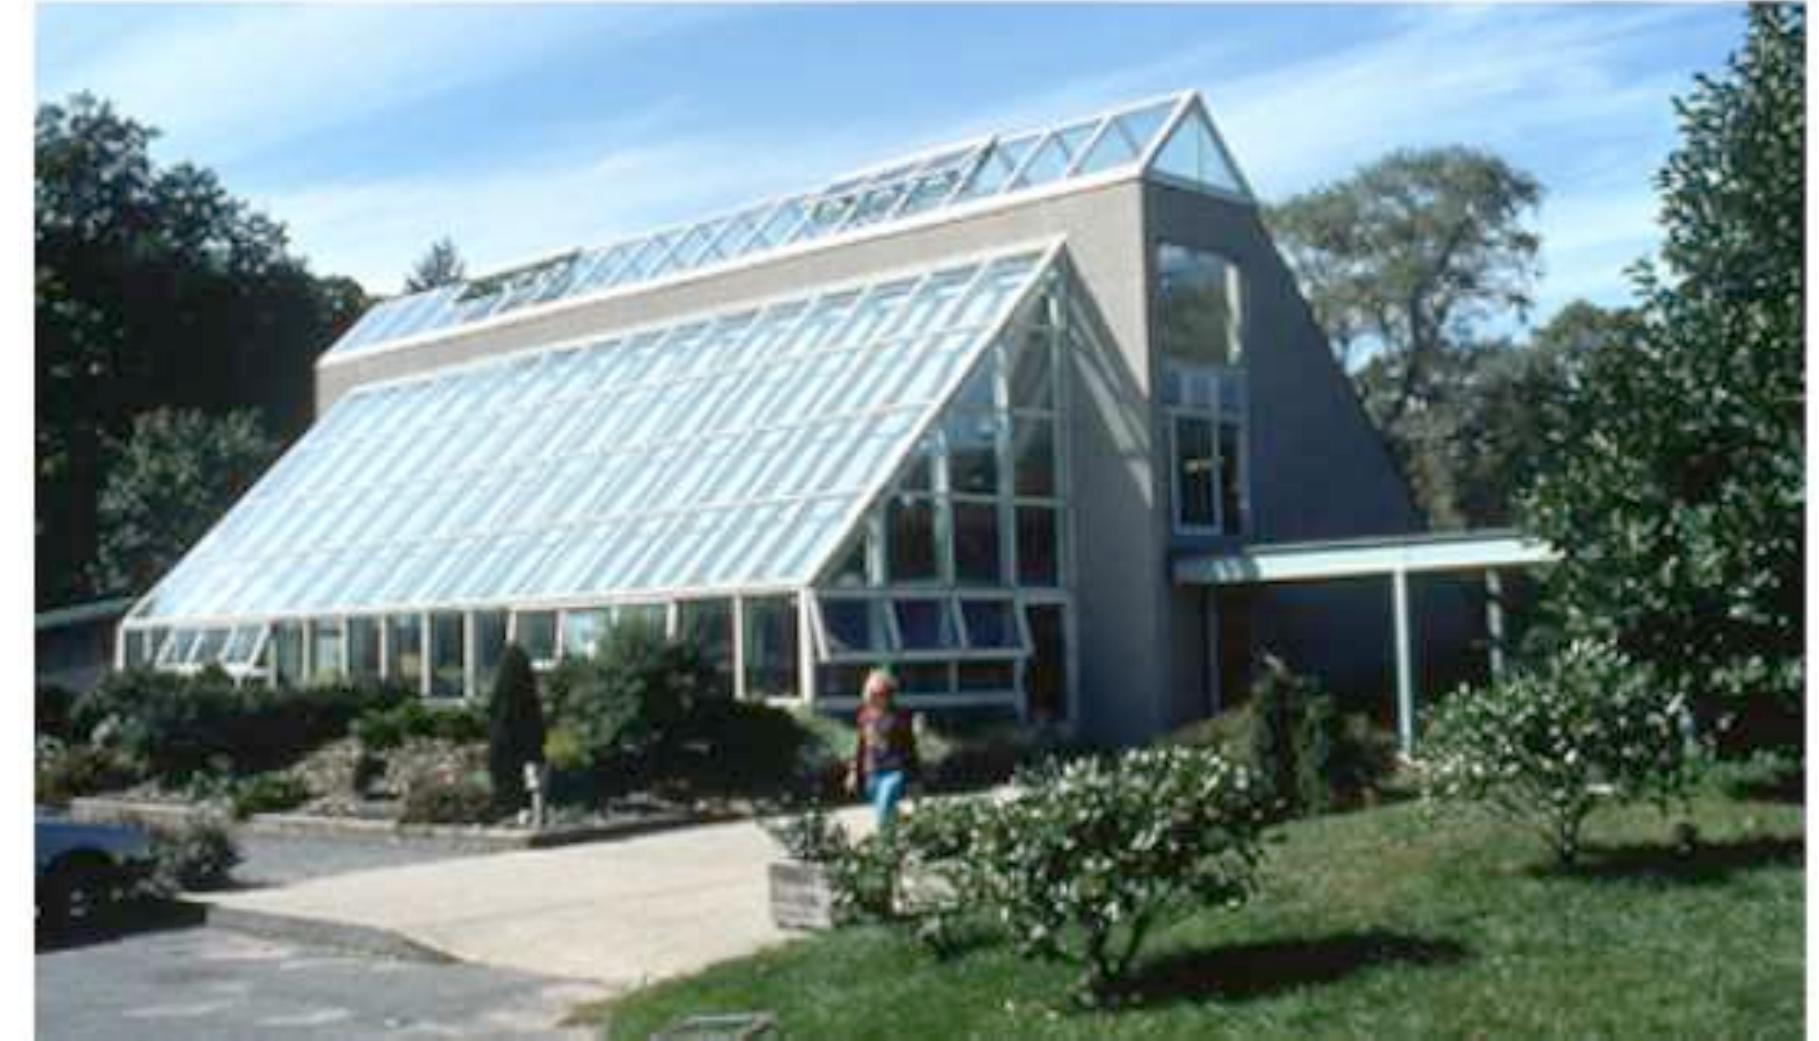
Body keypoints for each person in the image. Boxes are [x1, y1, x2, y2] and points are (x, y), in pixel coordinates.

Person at [847, 669, 918, 829]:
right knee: (885, 809)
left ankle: (882, 842)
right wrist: (853, 772)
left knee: (884, 807)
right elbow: (859, 746)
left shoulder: (900, 716)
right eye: (871, 692)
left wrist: (915, 778)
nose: (874, 696)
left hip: (895, 770)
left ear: (889, 694)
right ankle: (905, 827)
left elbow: (910, 746)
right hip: (872, 770)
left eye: (880, 693)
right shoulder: (865, 716)